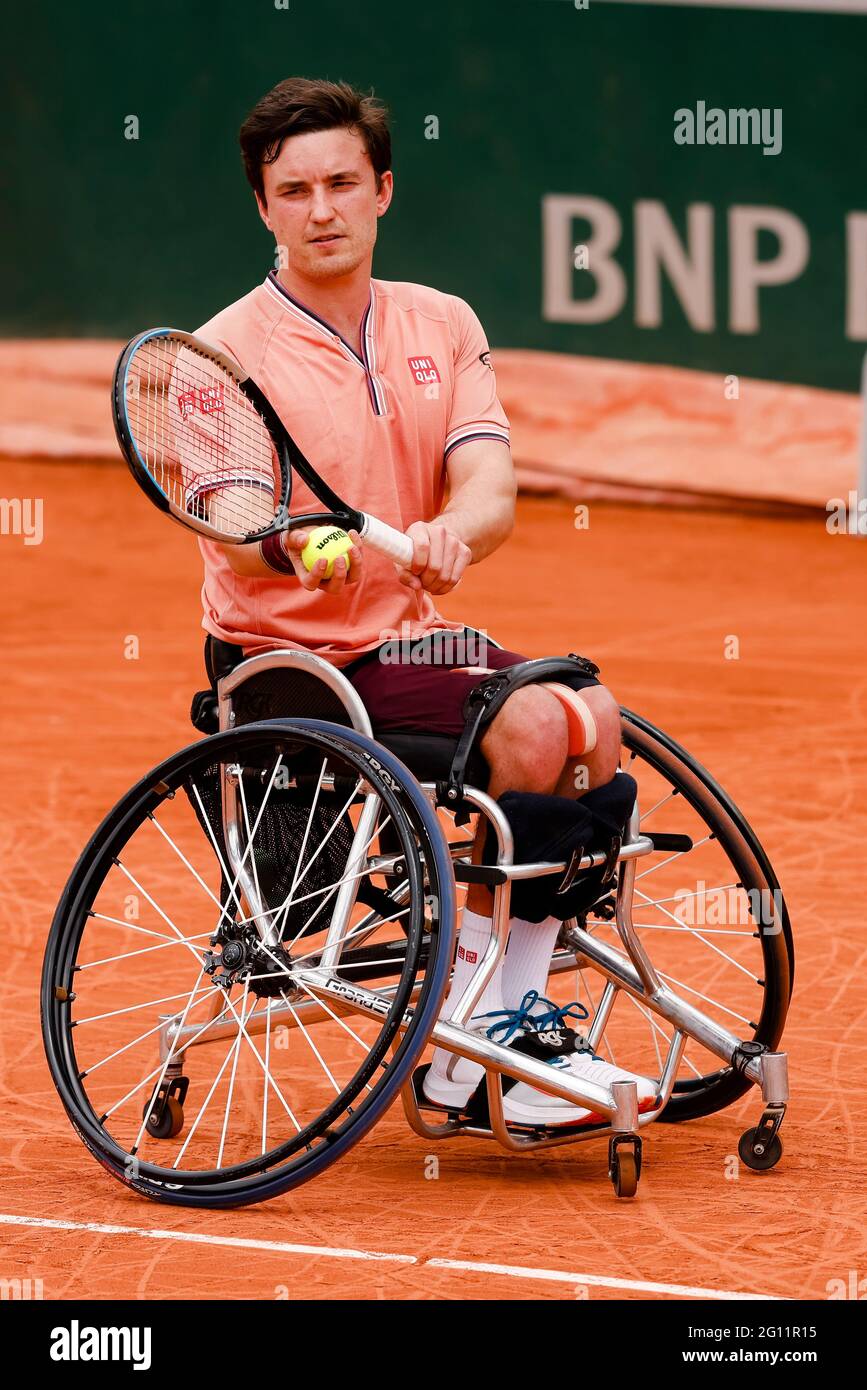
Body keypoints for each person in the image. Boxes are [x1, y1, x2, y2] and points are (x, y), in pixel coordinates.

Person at [196, 76, 654, 1126]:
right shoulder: (223, 354)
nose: (322, 209)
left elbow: (489, 481)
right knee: (538, 725)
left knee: (596, 712)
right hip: (287, 661)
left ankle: (495, 1019)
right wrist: (301, 543)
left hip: (405, 643)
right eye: (296, 189)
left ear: (383, 191)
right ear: (264, 207)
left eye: (342, 183)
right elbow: (233, 516)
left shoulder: (442, 323)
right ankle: (482, 1037)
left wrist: (457, 531)